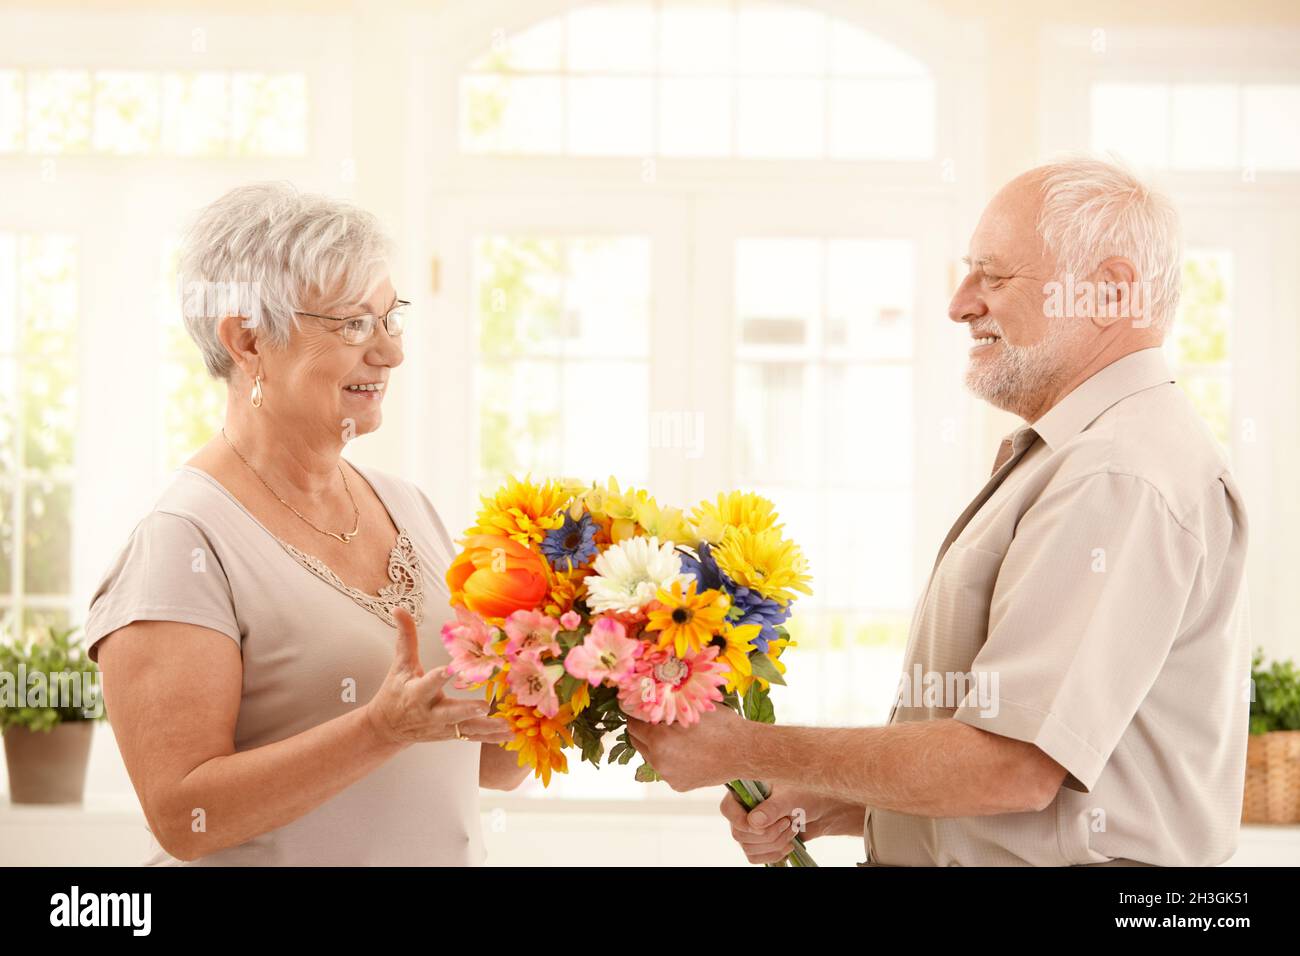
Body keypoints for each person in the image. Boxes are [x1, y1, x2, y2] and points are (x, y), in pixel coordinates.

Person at [628, 156, 1251, 867]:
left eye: (993, 275)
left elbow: (1011, 767)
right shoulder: (1087, 455)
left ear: (1109, 292)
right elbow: (1048, 779)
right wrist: (836, 797)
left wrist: (743, 748)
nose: (960, 303)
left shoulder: (1115, 470)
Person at [84, 182, 525, 866]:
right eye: (353, 323)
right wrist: (379, 729)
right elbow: (183, 817)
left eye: (392, 318)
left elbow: (486, 767)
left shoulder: (410, 508)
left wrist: (541, 696)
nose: (390, 353)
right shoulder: (182, 543)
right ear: (247, 339)